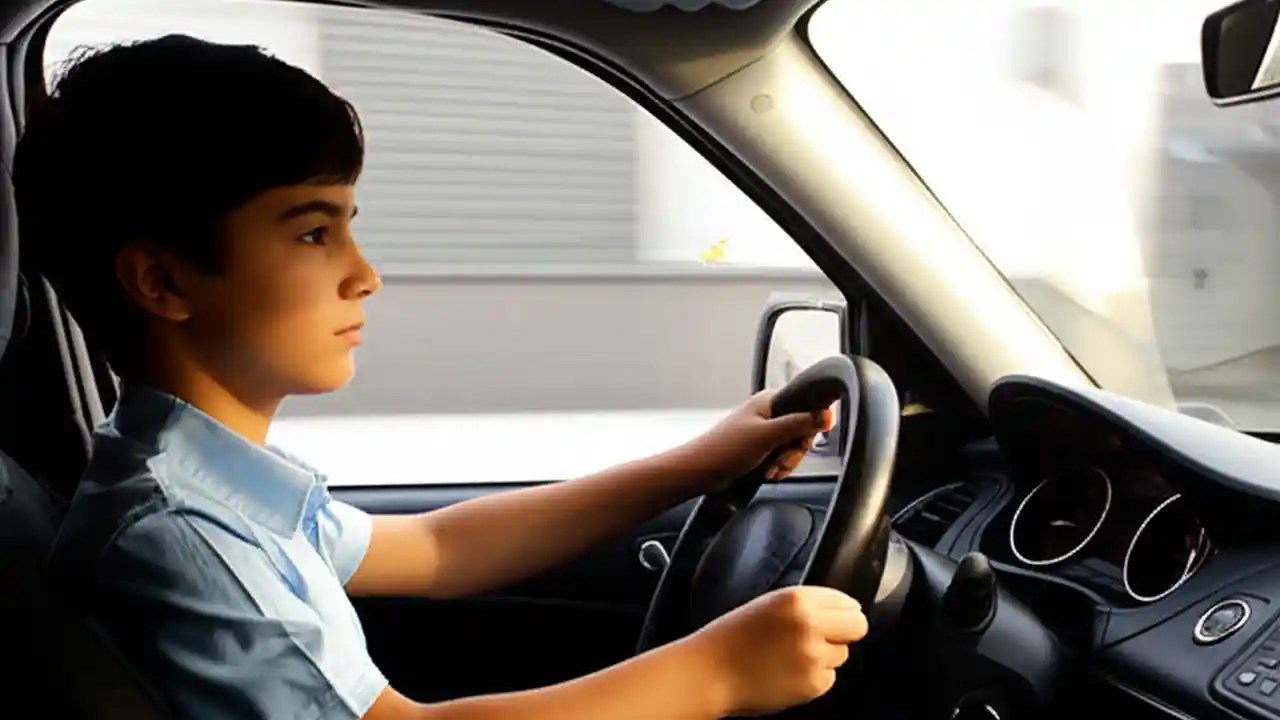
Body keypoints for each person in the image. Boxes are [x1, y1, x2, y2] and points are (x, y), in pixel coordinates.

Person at [15, 34, 868, 720]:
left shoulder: (212, 487)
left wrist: (700, 462)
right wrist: (715, 674)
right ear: (163, 282)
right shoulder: (183, 537)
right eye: (313, 233)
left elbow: (440, 549)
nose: (365, 274)